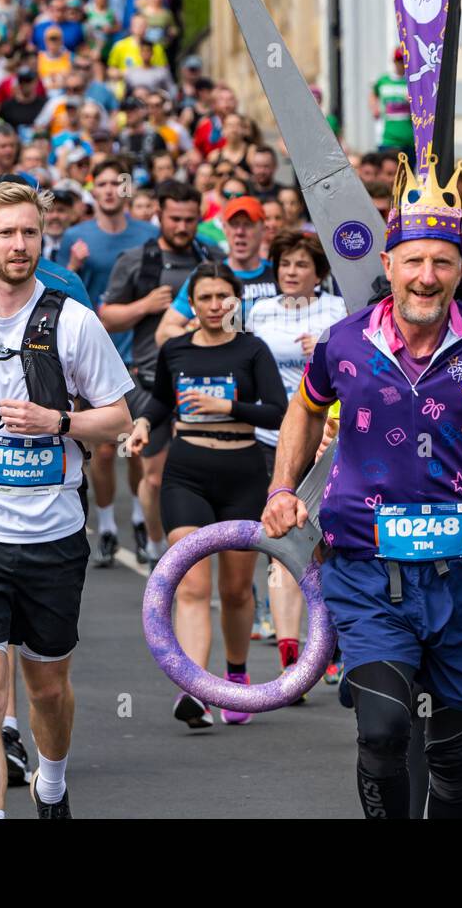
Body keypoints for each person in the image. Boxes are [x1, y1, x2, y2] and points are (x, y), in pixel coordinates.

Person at [262, 161, 462, 819]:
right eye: (414, 260)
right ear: (390, 263)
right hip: (368, 570)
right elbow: (306, 408)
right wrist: (284, 487)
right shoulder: (344, 342)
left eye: (443, 262)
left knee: (454, 754)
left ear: (459, 267)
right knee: (383, 732)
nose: (427, 276)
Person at [0, 180, 133, 819]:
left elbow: (117, 416)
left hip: (51, 534)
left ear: (44, 238)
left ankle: (54, 782)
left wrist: (58, 424)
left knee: (47, 688)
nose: (19, 244)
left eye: (30, 233)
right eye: (6, 233)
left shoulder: (74, 320)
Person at [128, 263, 287, 728]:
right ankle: (195, 688)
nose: (215, 306)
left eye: (223, 297)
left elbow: (278, 412)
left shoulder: (251, 350)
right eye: (206, 298)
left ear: (235, 301)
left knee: (236, 591)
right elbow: (160, 401)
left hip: (241, 474)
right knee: (192, 584)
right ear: (191, 305)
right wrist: (141, 424)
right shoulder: (175, 350)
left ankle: (234, 678)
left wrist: (227, 407)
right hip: (187, 473)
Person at [245, 231, 346, 689]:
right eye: (284, 263)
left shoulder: (336, 314)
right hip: (273, 438)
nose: (291, 271)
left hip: (325, 439)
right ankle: (291, 655)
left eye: (301, 265)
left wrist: (321, 353)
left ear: (318, 273)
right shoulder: (259, 311)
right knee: (282, 543)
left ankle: (331, 644)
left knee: (325, 545)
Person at [101, 182, 221, 566]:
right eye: (175, 219)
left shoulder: (212, 258)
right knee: (154, 477)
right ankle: (157, 546)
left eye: (190, 219)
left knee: (200, 476)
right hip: (151, 381)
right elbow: (107, 316)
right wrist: (145, 306)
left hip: (203, 383)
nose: (183, 226)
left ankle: (190, 550)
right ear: (159, 216)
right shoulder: (137, 260)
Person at [52, 157, 159, 566]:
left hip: (139, 355)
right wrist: (73, 264)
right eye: (104, 185)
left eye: (119, 183)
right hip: (92, 358)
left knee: (136, 446)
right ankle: (107, 525)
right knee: (105, 449)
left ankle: (136, 517)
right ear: (93, 191)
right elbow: (57, 289)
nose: (111, 191)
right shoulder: (77, 237)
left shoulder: (148, 234)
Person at [155, 196, 277, 344]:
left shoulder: (280, 274)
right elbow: (164, 333)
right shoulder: (207, 276)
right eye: (234, 224)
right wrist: (210, 343)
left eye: (248, 224)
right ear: (225, 229)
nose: (240, 232)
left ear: (263, 229)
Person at [370, 46, 413, 156]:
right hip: (387, 139)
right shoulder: (383, 81)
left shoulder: (412, 82)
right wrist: (374, 108)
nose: (401, 63)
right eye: (399, 60)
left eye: (403, 60)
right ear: (394, 61)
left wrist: (413, 102)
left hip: (409, 139)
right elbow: (373, 93)